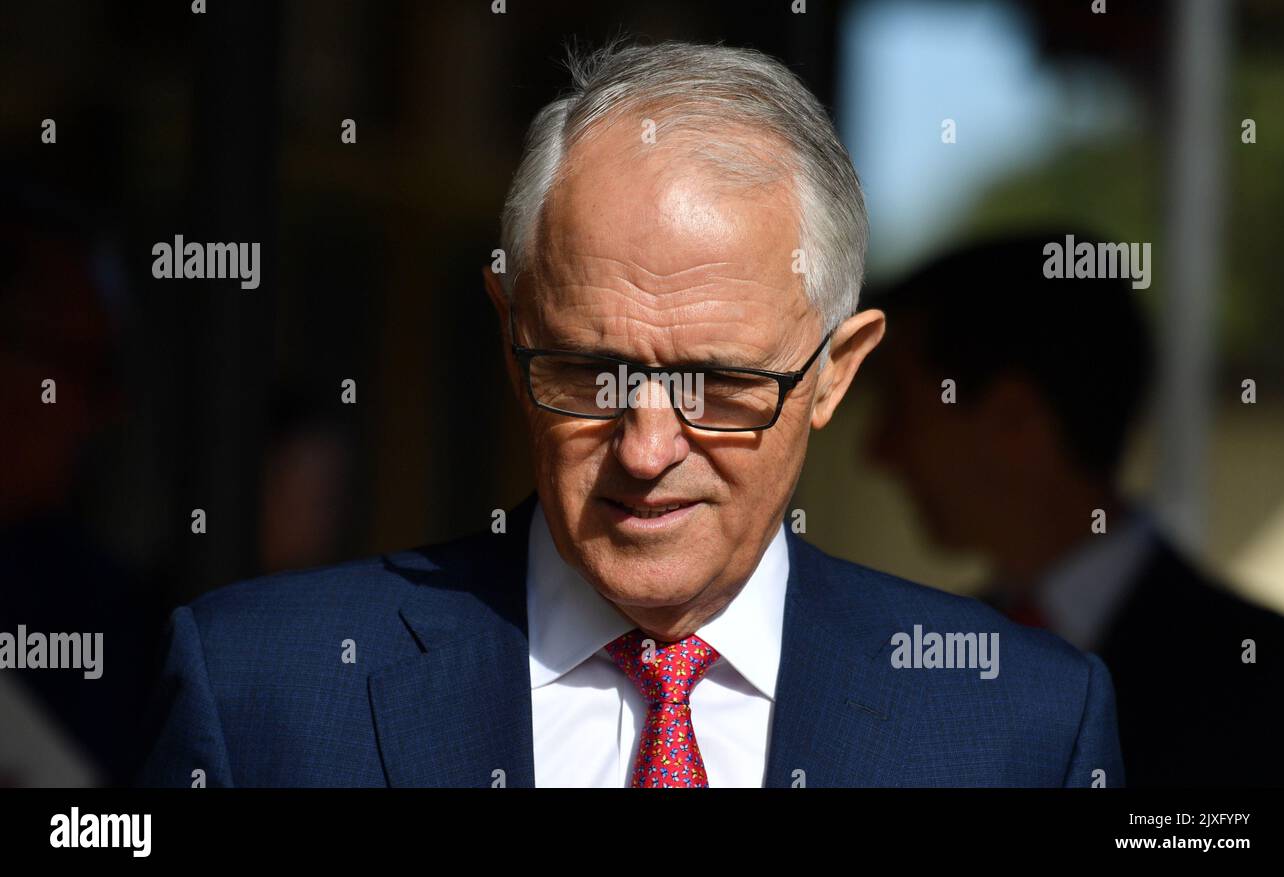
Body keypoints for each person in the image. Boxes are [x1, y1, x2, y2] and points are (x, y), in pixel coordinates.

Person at [137, 41, 1122, 788]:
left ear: (833, 372)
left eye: (721, 386)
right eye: (588, 372)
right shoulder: (263, 693)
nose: (648, 449)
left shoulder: (1016, 728)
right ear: (509, 332)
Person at [864, 232, 1284, 786]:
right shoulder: (915, 663)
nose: (876, 452)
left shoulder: (1271, 685)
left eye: (900, 406)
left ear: (1013, 418)